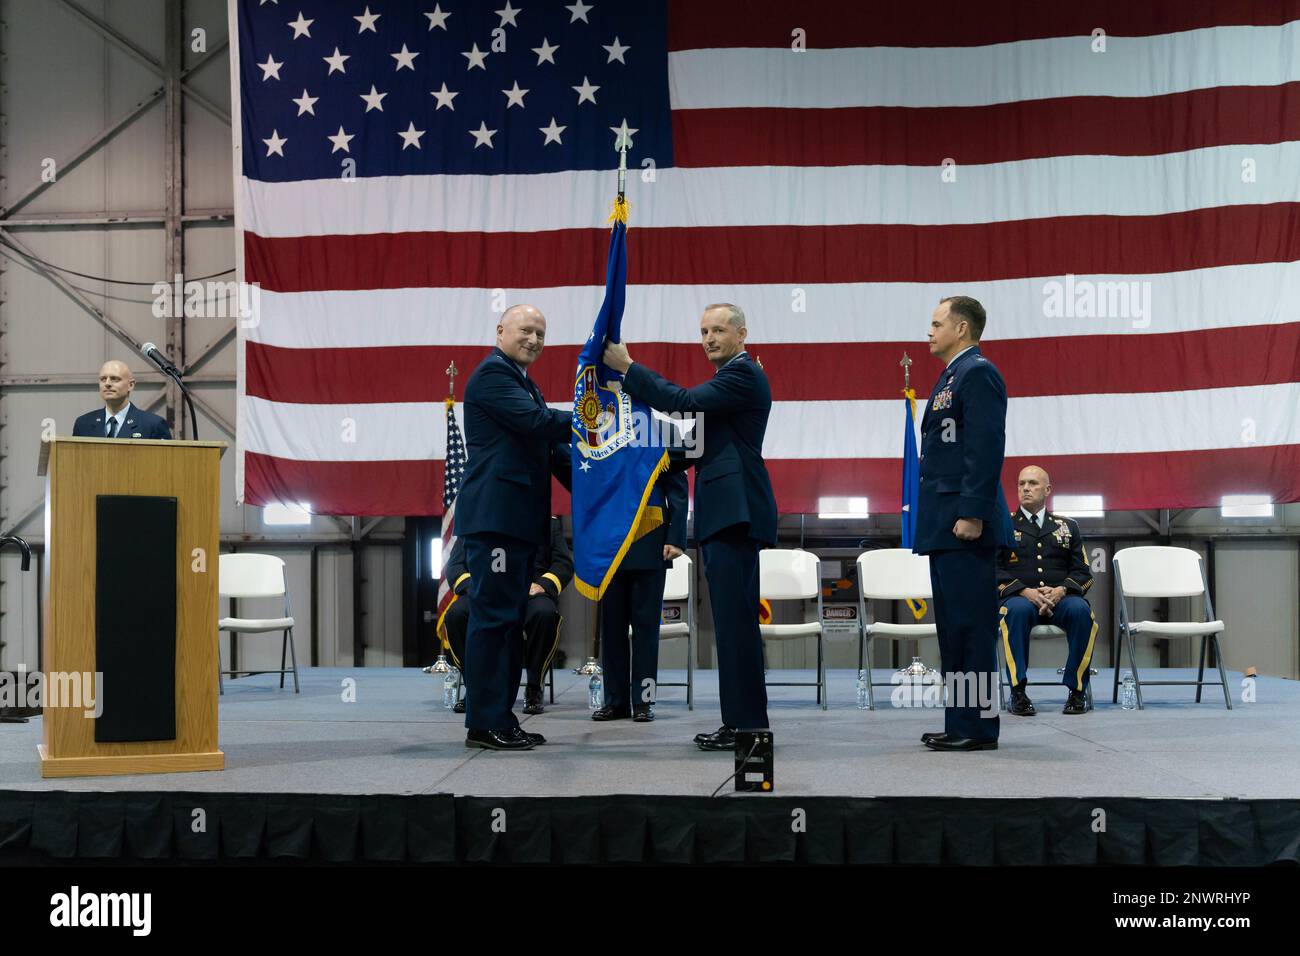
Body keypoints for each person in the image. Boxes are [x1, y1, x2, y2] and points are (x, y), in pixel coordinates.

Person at [603, 302, 776, 751]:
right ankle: (741, 722)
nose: (709, 338)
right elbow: (689, 449)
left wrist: (629, 369)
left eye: (719, 330)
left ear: (742, 334)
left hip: (735, 512)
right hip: (727, 513)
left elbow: (683, 405)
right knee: (732, 625)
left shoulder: (741, 375)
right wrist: (625, 457)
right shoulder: (727, 383)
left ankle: (747, 726)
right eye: (703, 330)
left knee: (736, 625)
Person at [457, 305, 572, 751]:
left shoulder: (524, 382)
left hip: (517, 522)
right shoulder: (492, 376)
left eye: (541, 333)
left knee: (505, 622)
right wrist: (591, 417)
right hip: (497, 520)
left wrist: (603, 482)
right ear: (501, 330)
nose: (535, 339)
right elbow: (537, 424)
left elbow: (548, 450)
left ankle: (501, 718)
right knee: (493, 621)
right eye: (526, 330)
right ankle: (485, 723)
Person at [913, 296, 1014, 752]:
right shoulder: (952, 375)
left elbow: (986, 447)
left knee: (972, 629)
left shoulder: (978, 373)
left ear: (963, 327)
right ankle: (960, 722)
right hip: (944, 524)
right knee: (953, 629)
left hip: (965, 523)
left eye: (937, 324)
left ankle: (979, 728)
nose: (929, 332)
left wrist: (972, 512)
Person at [439, 517, 573, 715]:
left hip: (529, 592)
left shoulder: (547, 523)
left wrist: (543, 585)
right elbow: (455, 566)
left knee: (544, 614)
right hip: (484, 592)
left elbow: (563, 563)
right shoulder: (477, 520)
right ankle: (475, 689)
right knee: (456, 615)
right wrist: (474, 589)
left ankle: (534, 687)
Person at [997, 465, 1097, 716]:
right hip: (1021, 599)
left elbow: (1083, 572)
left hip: (1060, 599)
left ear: (1048, 490)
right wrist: (1024, 591)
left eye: (1033, 483)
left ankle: (1077, 692)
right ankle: (1018, 692)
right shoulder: (1003, 524)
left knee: (1082, 612)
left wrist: (1062, 590)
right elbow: (993, 569)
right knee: (1014, 612)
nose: (1026, 488)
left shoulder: (1068, 526)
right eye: (1021, 484)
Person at [591, 469, 688, 722]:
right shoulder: (602, 432)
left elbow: (677, 489)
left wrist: (676, 537)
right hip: (610, 544)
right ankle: (616, 702)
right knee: (612, 631)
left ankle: (644, 700)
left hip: (650, 539)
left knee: (646, 632)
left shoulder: (661, 432)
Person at [72, 360, 172, 439]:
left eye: (114, 379)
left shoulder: (153, 425)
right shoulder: (83, 424)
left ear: (131, 385)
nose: (107, 383)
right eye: (103, 379)